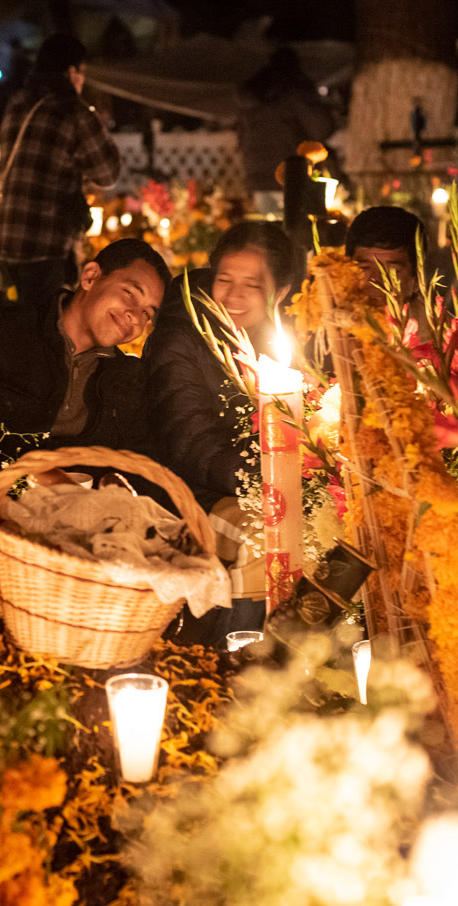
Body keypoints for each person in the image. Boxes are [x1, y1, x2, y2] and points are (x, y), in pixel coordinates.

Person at [144, 221, 302, 644]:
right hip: (191, 491)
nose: (233, 295)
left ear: (280, 292)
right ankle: (239, 655)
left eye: (252, 284)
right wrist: (277, 481)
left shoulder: (284, 342)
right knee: (265, 534)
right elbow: (191, 443)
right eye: (225, 279)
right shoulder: (181, 338)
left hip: (261, 485)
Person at [0, 238, 170, 453]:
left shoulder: (127, 377)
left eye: (147, 314)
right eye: (130, 293)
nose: (134, 316)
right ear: (90, 277)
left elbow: (138, 459)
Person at [0, 33, 122, 307]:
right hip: (46, 243)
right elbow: (108, 174)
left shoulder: (17, 103)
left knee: (18, 320)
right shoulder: (74, 112)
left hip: (10, 237)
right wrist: (99, 123)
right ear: (71, 72)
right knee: (47, 322)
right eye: (82, 73)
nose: (82, 80)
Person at [236, 47, 335, 214]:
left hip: (258, 178)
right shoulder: (295, 91)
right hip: (291, 174)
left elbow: (242, 138)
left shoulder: (253, 95)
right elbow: (322, 128)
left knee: (268, 227)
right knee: (297, 226)